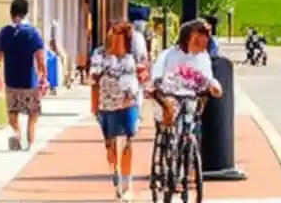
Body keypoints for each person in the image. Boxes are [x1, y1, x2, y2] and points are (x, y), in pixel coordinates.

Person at [90, 21, 143, 198]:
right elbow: (94, 80)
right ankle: (115, 172)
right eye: (112, 37)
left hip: (128, 105)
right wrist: (94, 105)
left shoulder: (131, 56)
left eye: (120, 39)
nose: (115, 42)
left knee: (128, 140)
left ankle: (127, 184)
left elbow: (139, 75)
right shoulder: (99, 54)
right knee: (110, 145)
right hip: (106, 105)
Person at [0, 0, 48, 151]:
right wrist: (44, 74)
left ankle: (16, 134)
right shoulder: (32, 33)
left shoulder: (5, 33)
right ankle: (30, 142)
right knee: (33, 112)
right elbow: (40, 57)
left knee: (13, 111)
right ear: (26, 13)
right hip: (30, 81)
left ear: (11, 13)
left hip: (11, 79)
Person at [149, 19, 222, 128]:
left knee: (194, 112)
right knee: (170, 111)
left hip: (192, 97)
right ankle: (168, 137)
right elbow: (156, 79)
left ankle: (192, 137)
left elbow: (208, 79)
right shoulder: (168, 55)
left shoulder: (203, 57)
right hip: (171, 96)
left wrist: (215, 87)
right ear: (187, 39)